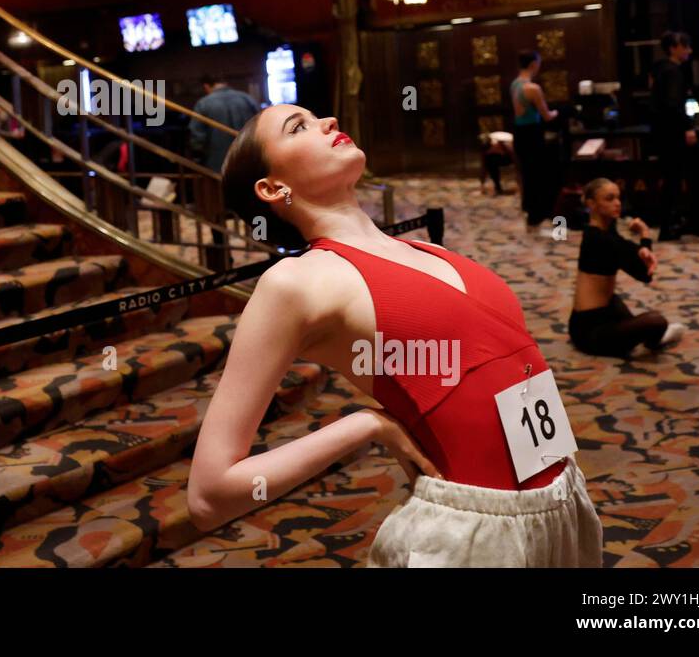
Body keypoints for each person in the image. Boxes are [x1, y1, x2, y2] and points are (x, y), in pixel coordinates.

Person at [186, 104, 603, 566]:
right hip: (475, 533)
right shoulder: (297, 282)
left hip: (562, 499)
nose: (328, 122)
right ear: (272, 187)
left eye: (318, 116)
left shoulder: (430, 250)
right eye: (297, 127)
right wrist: (369, 425)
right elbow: (209, 495)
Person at [569, 178, 686, 358]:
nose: (617, 203)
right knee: (656, 321)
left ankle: (639, 337)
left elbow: (627, 247)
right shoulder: (600, 240)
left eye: (618, 198)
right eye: (609, 199)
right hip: (590, 332)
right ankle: (652, 341)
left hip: (591, 317)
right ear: (591, 204)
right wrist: (645, 235)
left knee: (614, 300)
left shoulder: (597, 232)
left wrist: (642, 248)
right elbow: (644, 274)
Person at [189, 75, 260, 260]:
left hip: (214, 168)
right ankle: (265, 248)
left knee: (216, 213)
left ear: (207, 86)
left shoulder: (203, 104)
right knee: (257, 208)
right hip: (248, 166)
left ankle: (223, 253)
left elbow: (197, 140)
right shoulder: (247, 99)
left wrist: (198, 161)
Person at [648, 31, 697, 240]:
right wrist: (688, 126)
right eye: (684, 46)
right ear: (673, 48)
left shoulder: (657, 70)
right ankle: (672, 226)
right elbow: (673, 104)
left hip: (660, 132)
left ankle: (667, 225)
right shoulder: (674, 72)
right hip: (673, 132)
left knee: (669, 178)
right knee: (675, 179)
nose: (689, 50)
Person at [510, 49, 560, 229]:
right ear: (533, 64)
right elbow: (546, 115)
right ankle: (536, 214)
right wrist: (558, 112)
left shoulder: (514, 84)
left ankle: (529, 209)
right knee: (538, 174)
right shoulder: (532, 88)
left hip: (519, 133)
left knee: (527, 172)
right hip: (532, 134)